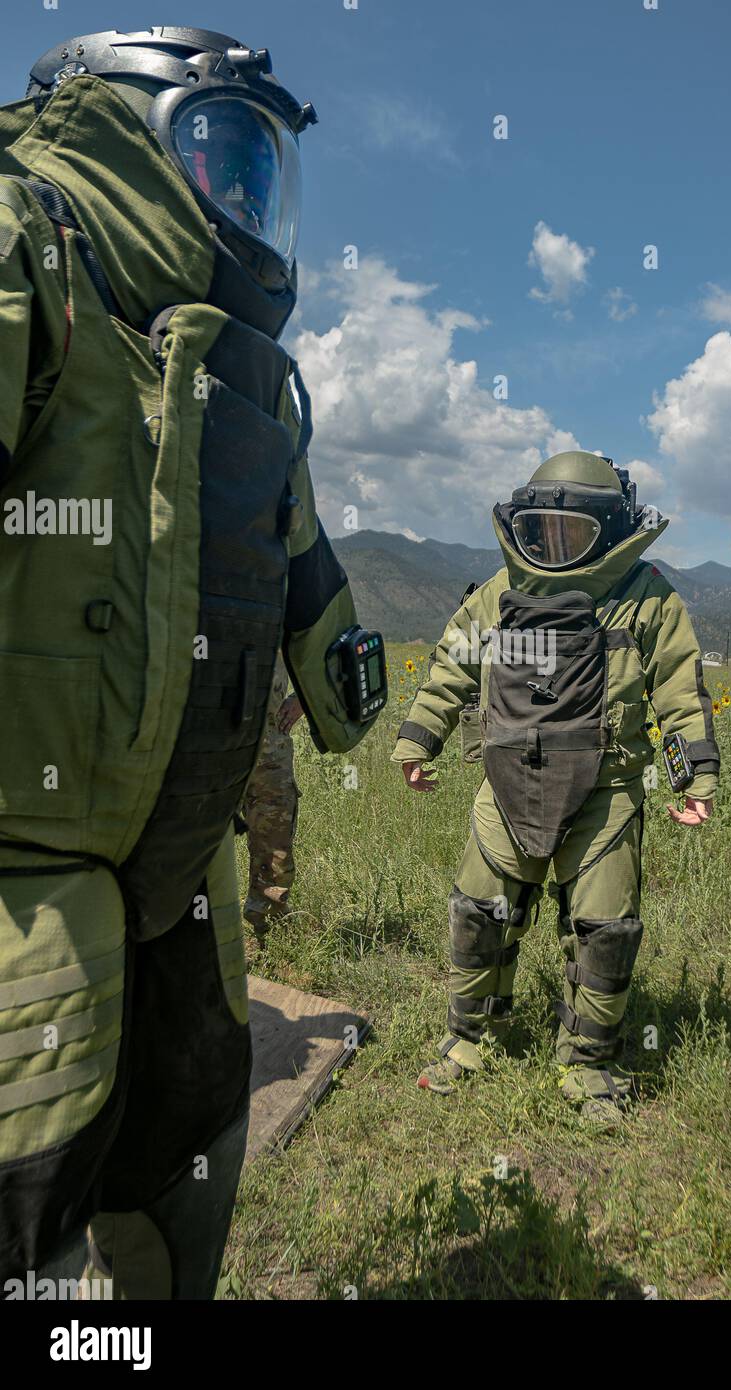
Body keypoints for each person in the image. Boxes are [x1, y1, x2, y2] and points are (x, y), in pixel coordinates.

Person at [0, 28, 376, 1298]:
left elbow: (313, 591)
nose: (244, 200)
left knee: (187, 1151)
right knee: (31, 1200)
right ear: (137, 128)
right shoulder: (28, 247)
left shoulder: (251, 380)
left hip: (187, 861)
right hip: (28, 882)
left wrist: (358, 691)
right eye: (220, 154)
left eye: (260, 171)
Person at [393, 452, 719, 1128]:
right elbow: (452, 667)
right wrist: (418, 737)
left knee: (604, 930)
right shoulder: (495, 592)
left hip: (607, 792)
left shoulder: (648, 596)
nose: (556, 545)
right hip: (505, 786)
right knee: (478, 914)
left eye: (575, 532)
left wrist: (696, 775)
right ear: (523, 527)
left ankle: (590, 1063)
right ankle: (468, 1040)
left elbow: (682, 692)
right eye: (544, 531)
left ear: (611, 528)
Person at [241, 654, 303, 942]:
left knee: (274, 838)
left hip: (268, 749)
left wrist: (305, 697)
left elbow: (326, 646)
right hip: (202, 741)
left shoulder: (281, 606)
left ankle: (266, 926)